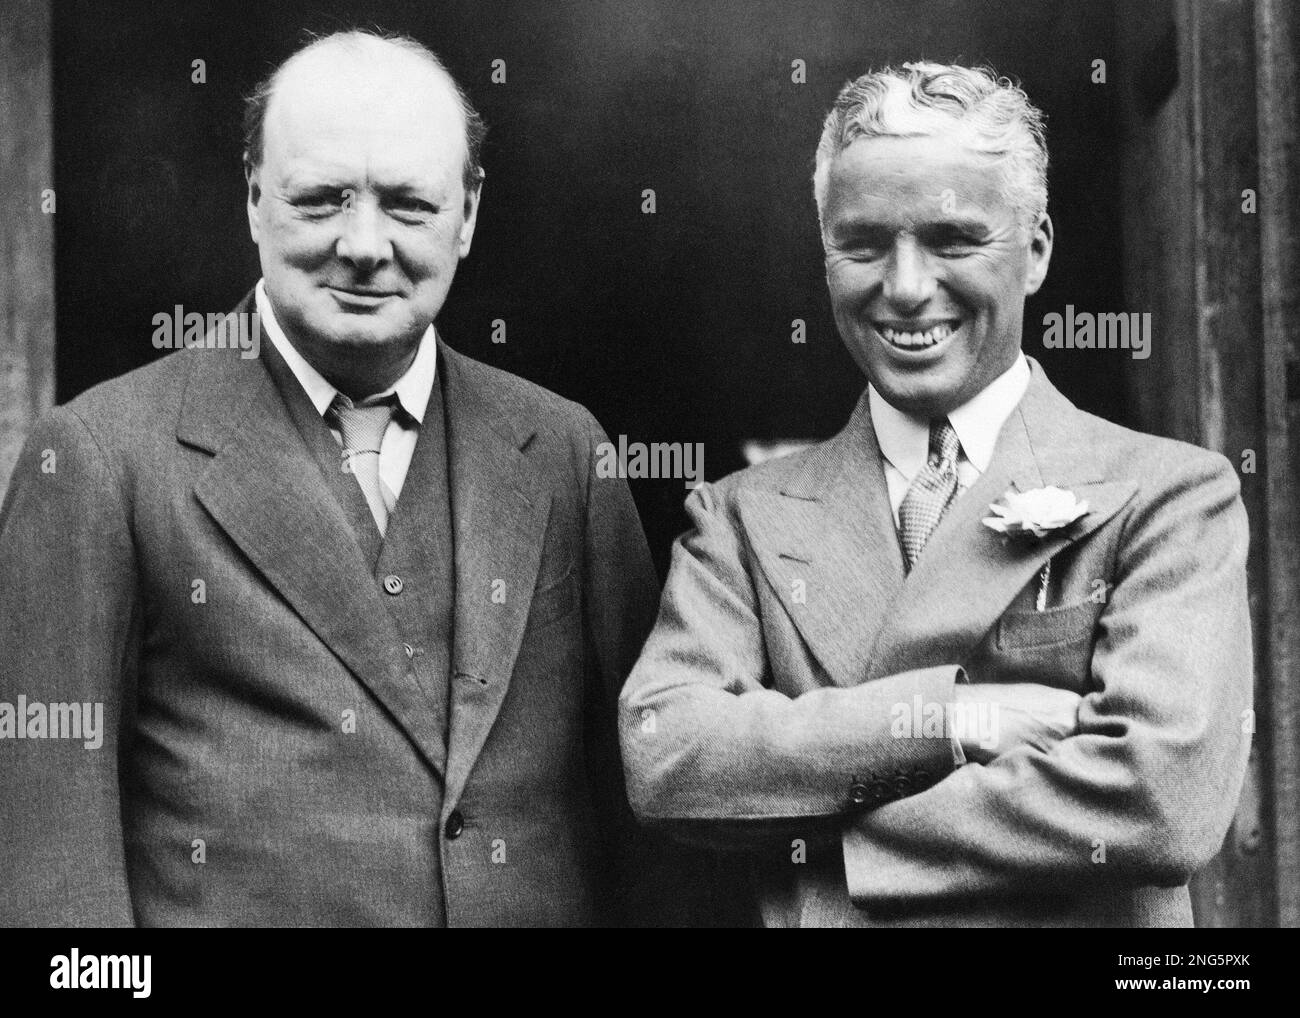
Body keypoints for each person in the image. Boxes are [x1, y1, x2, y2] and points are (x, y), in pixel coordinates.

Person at [0, 29, 667, 927]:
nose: (363, 244)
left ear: (467, 212)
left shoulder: (563, 452)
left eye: (407, 205)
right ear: (253, 202)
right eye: (321, 200)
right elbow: (52, 882)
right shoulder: (97, 460)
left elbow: (650, 832)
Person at [618, 62, 1253, 927]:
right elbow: (668, 755)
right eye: (864, 243)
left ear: (1035, 251)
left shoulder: (1171, 495)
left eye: (953, 239)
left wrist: (826, 844)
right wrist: (956, 718)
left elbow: (1161, 798)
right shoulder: (738, 517)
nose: (907, 286)